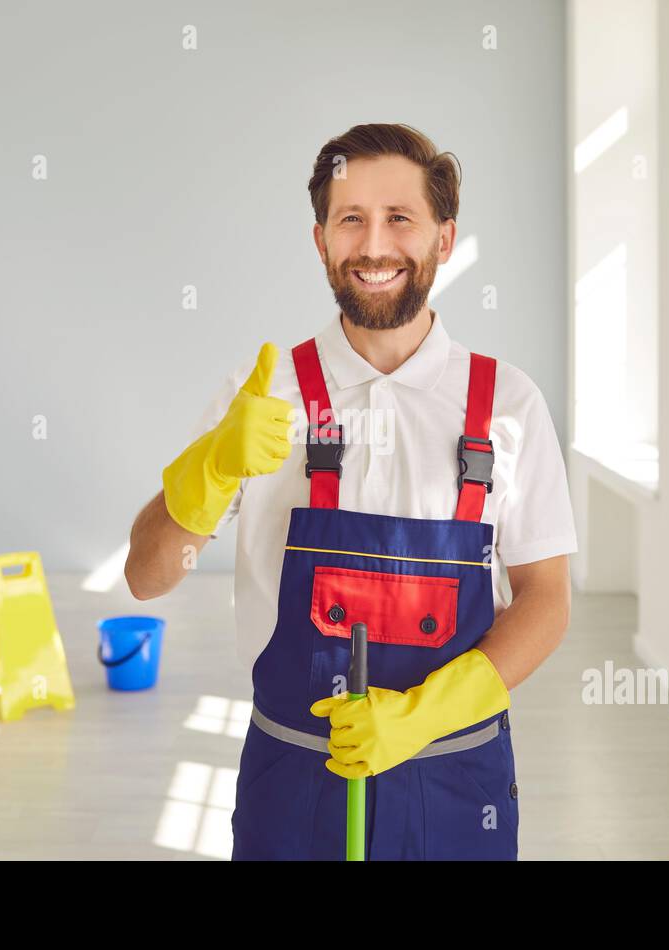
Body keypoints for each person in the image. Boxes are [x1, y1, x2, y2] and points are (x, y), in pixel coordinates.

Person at [125, 123, 576, 860]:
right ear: (321, 240)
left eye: (400, 218)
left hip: (456, 781)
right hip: (292, 785)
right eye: (351, 220)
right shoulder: (262, 392)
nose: (374, 246)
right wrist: (211, 469)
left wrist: (425, 715)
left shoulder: (508, 404)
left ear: (444, 238)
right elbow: (146, 578)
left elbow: (547, 600)